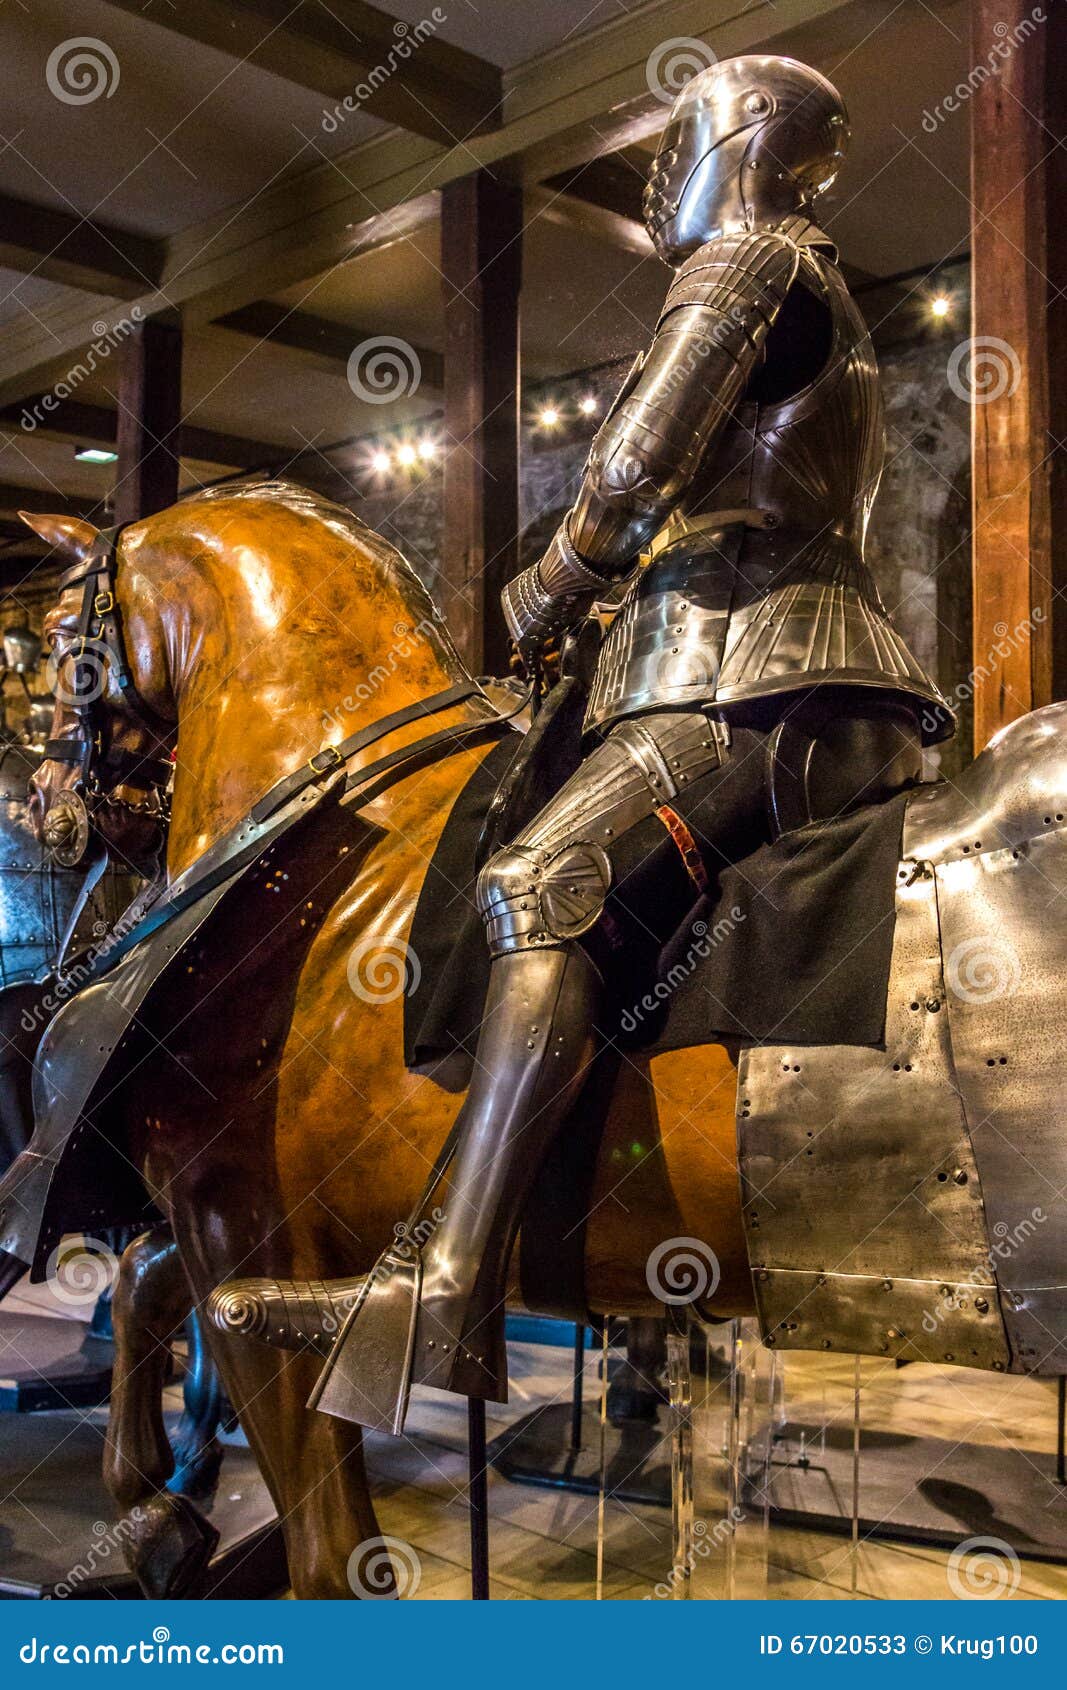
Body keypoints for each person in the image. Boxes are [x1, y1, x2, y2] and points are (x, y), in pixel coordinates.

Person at [211, 54, 953, 1433]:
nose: (666, 179)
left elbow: (626, 470)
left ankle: (448, 1277)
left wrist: (549, 584)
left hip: (746, 683)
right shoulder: (822, 287)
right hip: (815, 685)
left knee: (536, 880)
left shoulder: (745, 262)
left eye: (676, 143)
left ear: (731, 138)